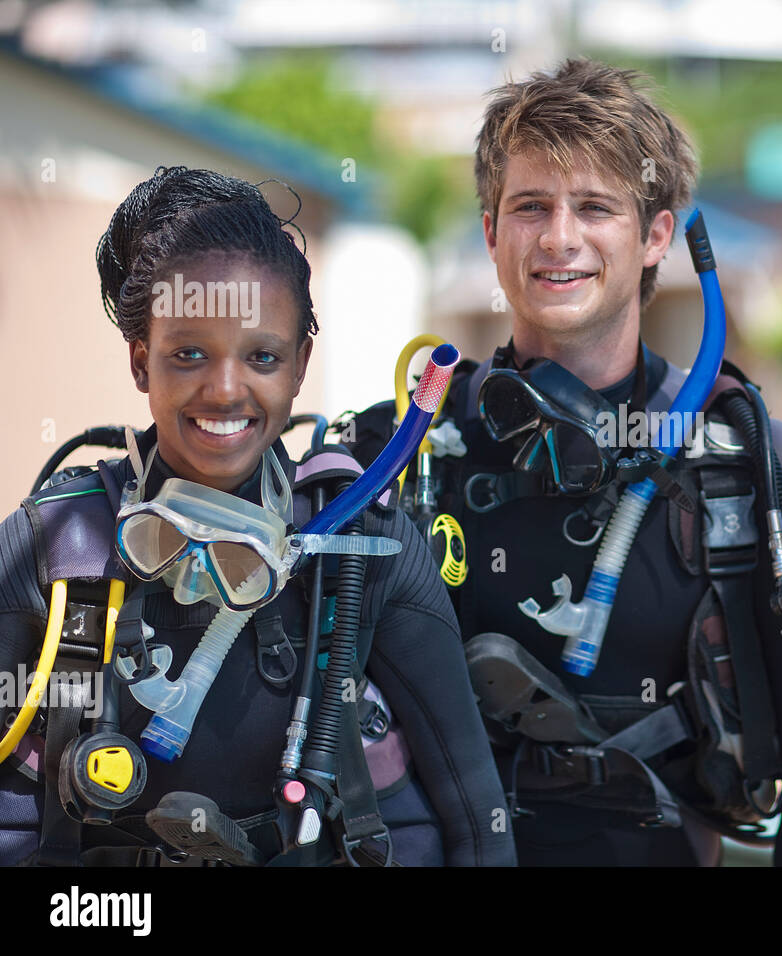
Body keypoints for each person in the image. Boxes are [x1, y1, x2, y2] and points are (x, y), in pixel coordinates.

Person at [349, 59, 782, 866]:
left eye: (595, 207)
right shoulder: (391, 453)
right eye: (530, 208)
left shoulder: (756, 471)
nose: (560, 238)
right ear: (490, 233)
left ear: (657, 233)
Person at [0, 166, 515, 866]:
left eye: (262, 356)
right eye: (188, 354)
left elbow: (477, 817)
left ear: (300, 367)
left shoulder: (362, 541)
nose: (224, 389)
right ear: (139, 360)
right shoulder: (55, 547)